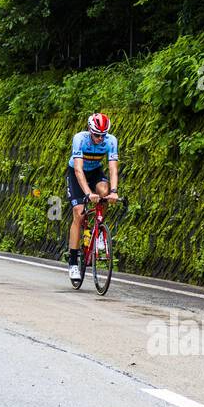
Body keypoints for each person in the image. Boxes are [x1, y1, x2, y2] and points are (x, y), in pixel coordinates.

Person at [65, 112, 119, 283]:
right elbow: (78, 170)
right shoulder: (80, 139)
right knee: (79, 213)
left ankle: (99, 228)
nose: (100, 139)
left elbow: (112, 169)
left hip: (95, 171)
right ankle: (73, 262)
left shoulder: (111, 141)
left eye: (103, 135)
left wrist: (114, 191)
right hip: (77, 173)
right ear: (89, 130)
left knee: (105, 191)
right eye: (96, 135)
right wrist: (88, 193)